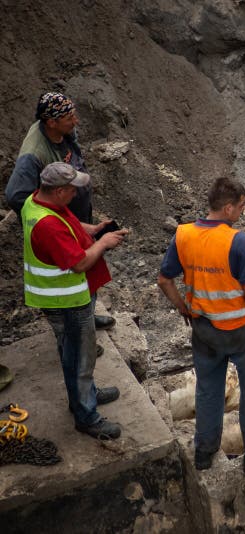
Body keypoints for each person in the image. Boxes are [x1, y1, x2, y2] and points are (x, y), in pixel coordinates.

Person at [157, 177, 245, 474]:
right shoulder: (238, 241)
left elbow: (164, 280)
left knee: (208, 389)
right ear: (228, 208)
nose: (242, 211)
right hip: (241, 331)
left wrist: (183, 308)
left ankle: (204, 452)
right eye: (241, 206)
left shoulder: (184, 235)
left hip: (203, 329)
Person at [21, 162, 128, 440]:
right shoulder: (47, 225)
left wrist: (92, 230)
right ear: (57, 191)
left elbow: (66, 222)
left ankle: (85, 396)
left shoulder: (36, 203)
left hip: (59, 299)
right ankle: (86, 416)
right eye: (71, 190)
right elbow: (80, 263)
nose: (75, 195)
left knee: (73, 353)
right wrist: (103, 244)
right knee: (80, 358)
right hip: (67, 301)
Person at [5, 91, 116, 331]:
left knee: (86, 275)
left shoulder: (63, 131)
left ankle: (86, 317)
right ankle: (79, 333)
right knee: (76, 270)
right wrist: (55, 218)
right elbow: (15, 195)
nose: (75, 122)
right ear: (51, 122)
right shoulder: (33, 154)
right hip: (62, 224)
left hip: (74, 217)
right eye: (69, 118)